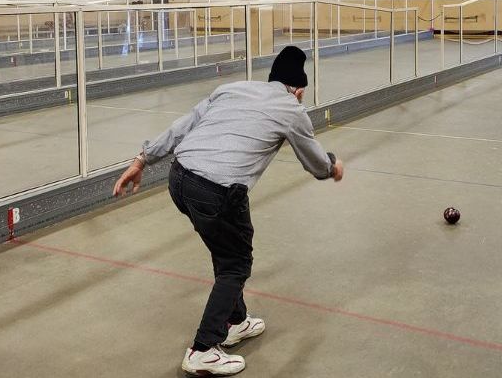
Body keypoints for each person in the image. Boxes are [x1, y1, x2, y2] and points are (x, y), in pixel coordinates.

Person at [113, 46, 344, 376]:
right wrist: (334, 167)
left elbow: (184, 125)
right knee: (236, 263)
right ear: (300, 88)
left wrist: (141, 160)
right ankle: (203, 349)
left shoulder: (231, 89)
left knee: (225, 249)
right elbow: (317, 164)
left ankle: (235, 321)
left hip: (179, 179)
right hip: (218, 190)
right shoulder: (292, 109)